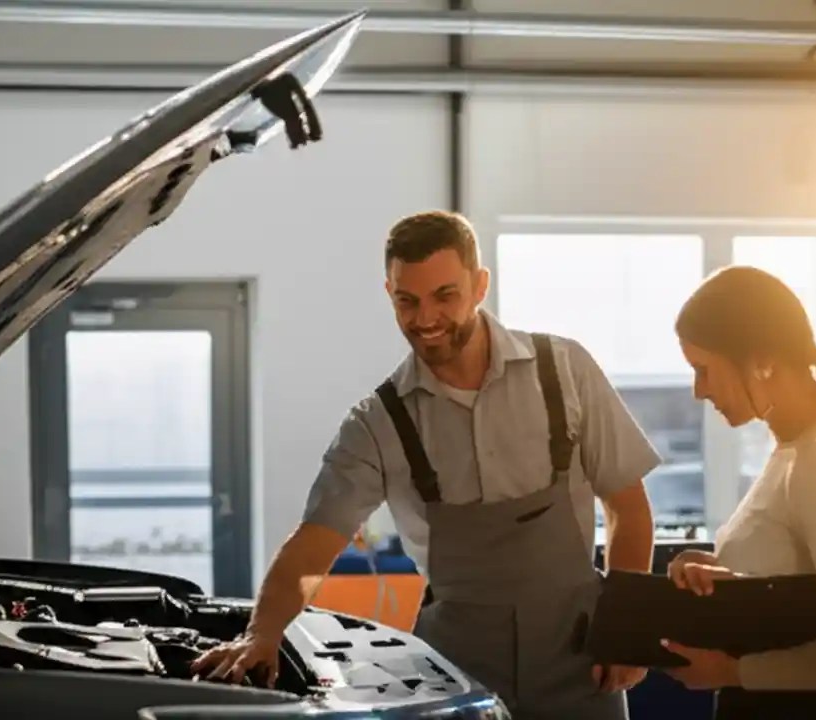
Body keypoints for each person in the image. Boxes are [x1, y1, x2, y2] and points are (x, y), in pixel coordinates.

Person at [191, 210, 661, 719]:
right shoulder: (379, 423)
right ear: (389, 293)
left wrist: (628, 629)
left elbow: (627, 508)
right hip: (457, 675)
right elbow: (313, 545)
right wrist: (262, 634)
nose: (425, 319)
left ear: (480, 286)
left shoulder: (565, 371)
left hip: (580, 659)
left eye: (445, 296)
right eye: (406, 301)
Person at [658, 265, 816, 719]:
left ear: (761, 361)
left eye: (704, 370)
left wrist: (730, 672)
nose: (698, 391)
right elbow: (800, 587)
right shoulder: (794, 450)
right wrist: (722, 571)